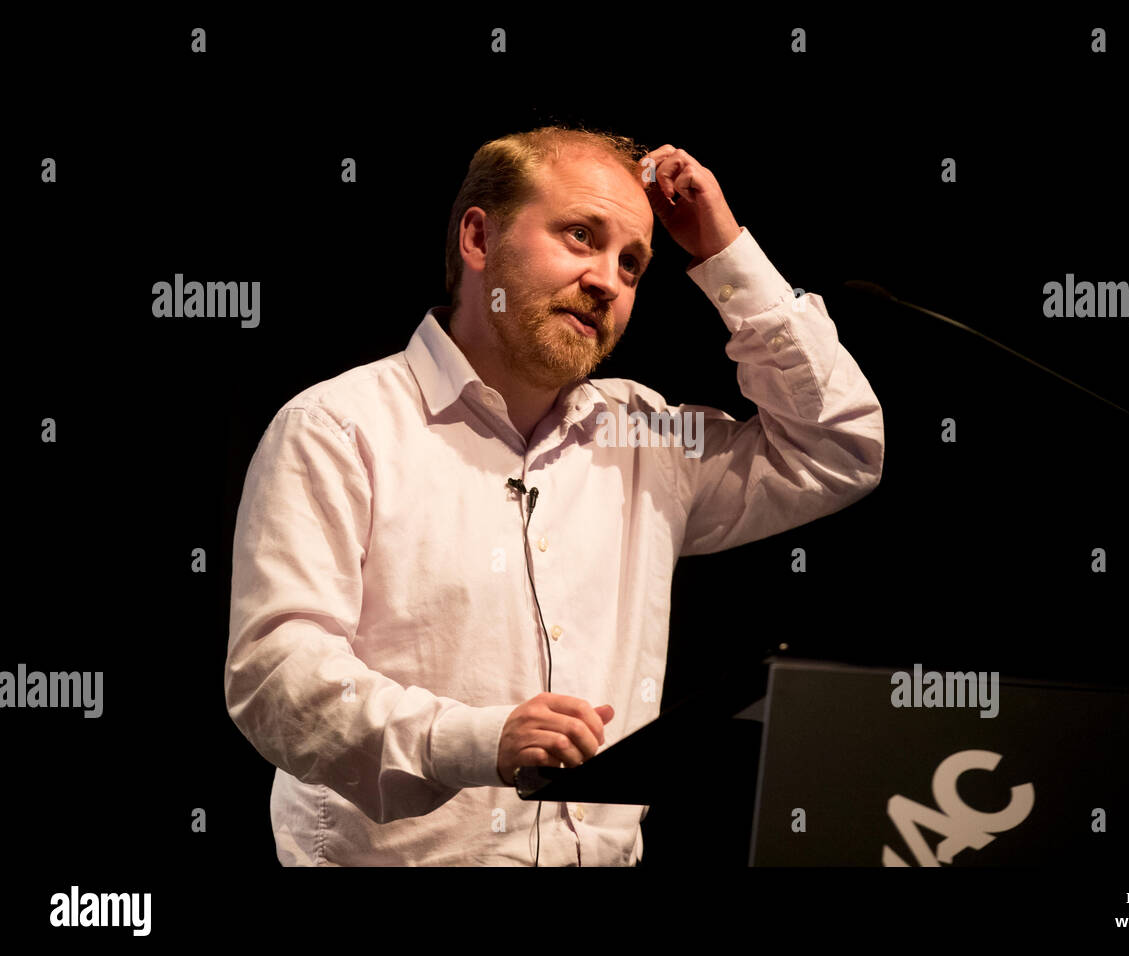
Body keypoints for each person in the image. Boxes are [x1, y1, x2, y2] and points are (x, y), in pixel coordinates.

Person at [224, 126, 885, 866]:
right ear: (479, 237)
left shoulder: (645, 441)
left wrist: (724, 254)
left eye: (632, 264)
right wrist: (476, 740)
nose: (607, 280)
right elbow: (276, 676)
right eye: (580, 236)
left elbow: (838, 448)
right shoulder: (342, 427)